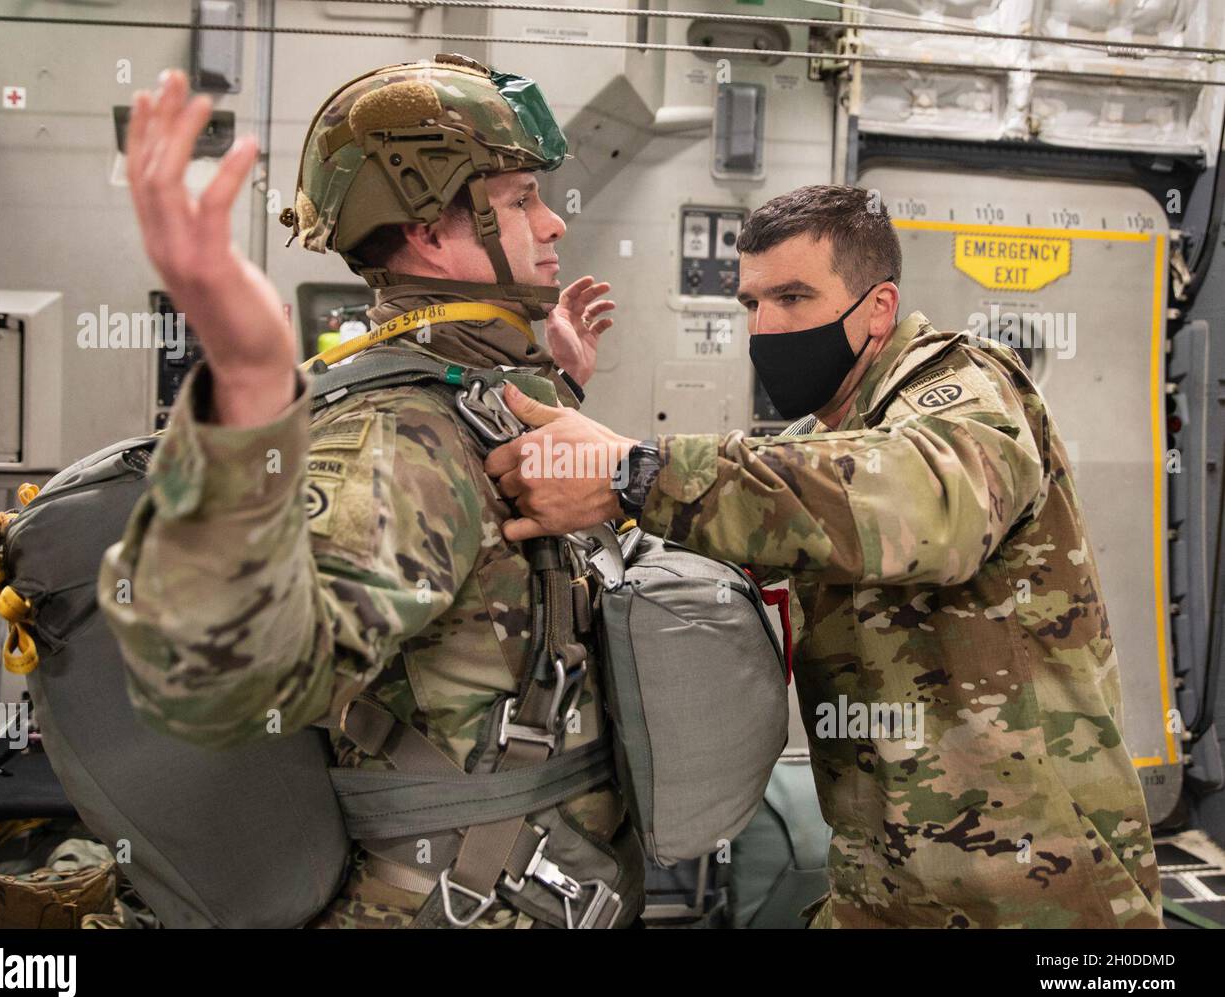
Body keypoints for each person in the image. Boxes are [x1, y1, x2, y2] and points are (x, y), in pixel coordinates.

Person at [485, 184, 1164, 929]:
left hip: (1035, 891)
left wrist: (638, 472)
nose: (766, 327)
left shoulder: (965, 386)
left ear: (878, 308)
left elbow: (930, 506)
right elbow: (677, 533)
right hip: (887, 884)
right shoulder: (810, 444)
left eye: (795, 297)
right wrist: (561, 393)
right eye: (751, 304)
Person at [99, 54, 643, 928]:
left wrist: (556, 385)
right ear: (429, 230)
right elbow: (231, 686)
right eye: (515, 200)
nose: (551, 224)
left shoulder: (459, 405)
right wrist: (239, 388)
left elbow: (487, 557)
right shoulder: (396, 436)